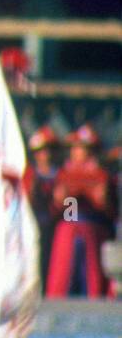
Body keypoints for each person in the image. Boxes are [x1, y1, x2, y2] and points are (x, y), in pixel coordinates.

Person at [45, 125, 115, 298]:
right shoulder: (65, 174)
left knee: (92, 276)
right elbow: (67, 210)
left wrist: (101, 201)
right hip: (72, 227)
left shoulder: (101, 174)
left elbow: (108, 209)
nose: (79, 152)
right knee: (68, 237)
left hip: (93, 229)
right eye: (76, 148)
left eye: (84, 148)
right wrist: (64, 199)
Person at [23, 125, 60, 287]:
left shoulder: (61, 174)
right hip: (31, 224)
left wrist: (65, 209)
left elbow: (70, 209)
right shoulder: (29, 174)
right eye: (41, 151)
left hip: (54, 227)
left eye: (49, 150)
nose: (46, 155)